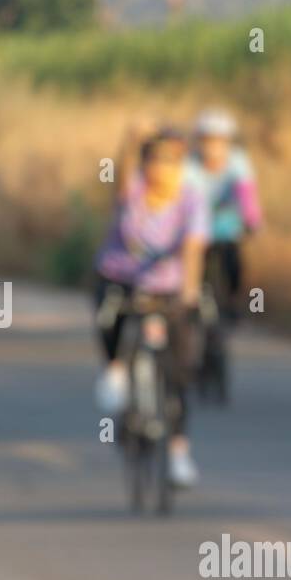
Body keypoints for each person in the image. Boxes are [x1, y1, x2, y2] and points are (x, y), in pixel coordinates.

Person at [94, 126, 209, 487]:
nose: (163, 170)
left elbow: (193, 247)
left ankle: (178, 454)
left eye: (172, 162)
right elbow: (120, 174)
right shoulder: (133, 192)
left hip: (169, 287)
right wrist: (129, 139)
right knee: (108, 311)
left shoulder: (191, 198)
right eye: (155, 162)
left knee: (179, 375)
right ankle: (115, 368)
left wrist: (189, 291)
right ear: (145, 165)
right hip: (121, 277)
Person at [192, 109, 262, 319]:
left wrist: (251, 219)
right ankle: (194, 301)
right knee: (196, 263)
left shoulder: (237, 162)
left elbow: (246, 192)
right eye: (208, 140)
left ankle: (233, 301)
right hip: (197, 227)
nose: (213, 147)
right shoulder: (190, 164)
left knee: (233, 262)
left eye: (219, 141)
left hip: (226, 226)